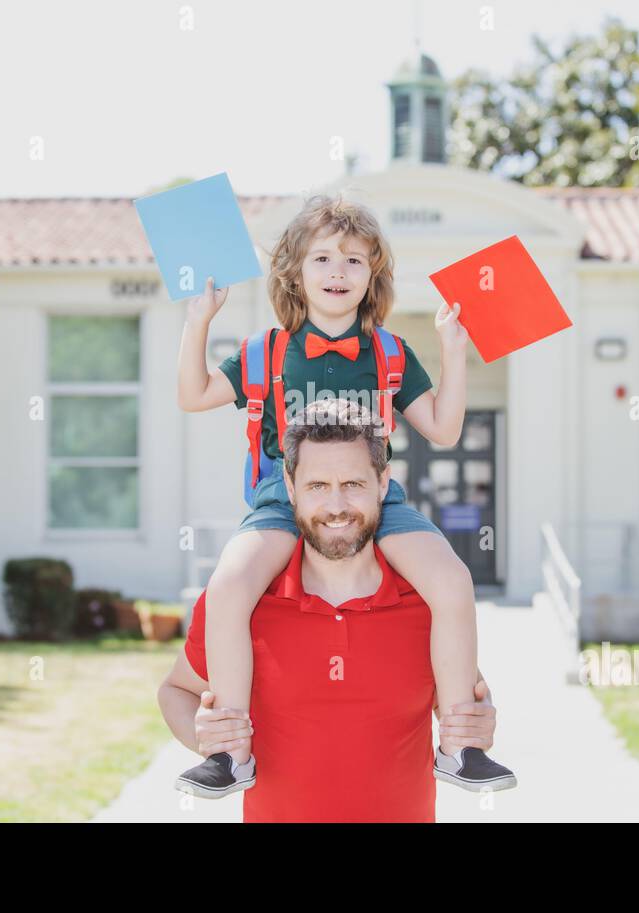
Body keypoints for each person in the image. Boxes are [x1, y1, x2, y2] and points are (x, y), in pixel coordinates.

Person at [174, 193, 515, 795]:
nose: (338, 272)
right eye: (324, 258)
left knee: (453, 580)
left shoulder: (388, 352)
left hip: (376, 499)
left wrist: (456, 350)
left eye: (355, 261)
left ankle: (460, 746)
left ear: (373, 276)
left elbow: (442, 428)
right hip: (285, 501)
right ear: (295, 272)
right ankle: (229, 752)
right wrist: (199, 317)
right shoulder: (265, 352)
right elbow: (193, 393)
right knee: (228, 586)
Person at [156, 399, 512, 822]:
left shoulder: (427, 601)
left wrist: (478, 722)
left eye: (354, 484)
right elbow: (176, 691)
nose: (337, 505)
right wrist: (207, 738)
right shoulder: (244, 604)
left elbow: (466, 697)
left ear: (383, 483)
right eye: (317, 486)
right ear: (290, 488)